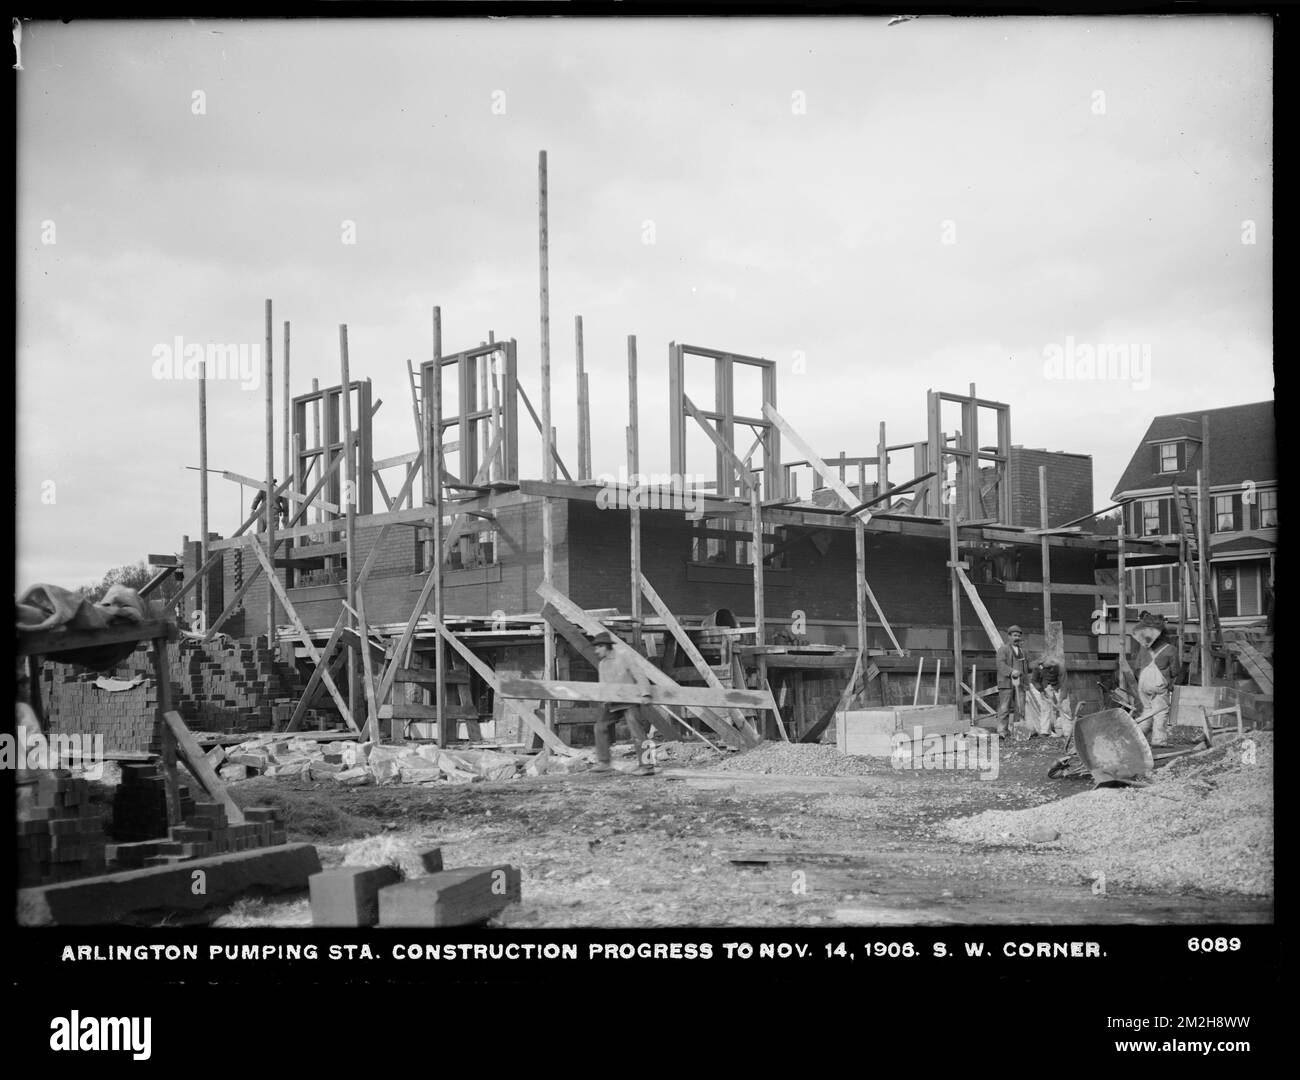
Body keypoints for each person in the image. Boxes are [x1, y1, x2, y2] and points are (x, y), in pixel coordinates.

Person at [588, 631, 657, 776]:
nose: (596, 651)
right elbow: (603, 685)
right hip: (613, 702)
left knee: (637, 733)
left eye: (598, 647)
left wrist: (646, 693)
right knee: (600, 727)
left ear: (605, 646)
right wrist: (603, 701)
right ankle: (604, 762)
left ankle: (648, 766)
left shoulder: (624, 656)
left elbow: (639, 674)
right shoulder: (602, 664)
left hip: (630, 701)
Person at [1131, 612, 1179, 746]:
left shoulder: (1143, 649)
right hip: (1158, 684)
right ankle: (1159, 741)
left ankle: (1136, 735)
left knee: (1147, 710)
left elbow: (1136, 667)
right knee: (1161, 711)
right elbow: (1176, 671)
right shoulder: (1171, 649)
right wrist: (1169, 681)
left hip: (1143, 684)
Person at [995, 625, 1030, 737]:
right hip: (1006, 683)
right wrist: (1011, 671)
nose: (1017, 638)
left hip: (1020, 684)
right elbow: (1000, 664)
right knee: (1004, 707)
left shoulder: (1023, 652)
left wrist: (1027, 683)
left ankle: (1017, 732)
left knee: (1020, 708)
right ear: (1009, 636)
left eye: (1019, 635)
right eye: (1015, 635)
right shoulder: (1003, 649)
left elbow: (1026, 668)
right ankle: (1002, 731)